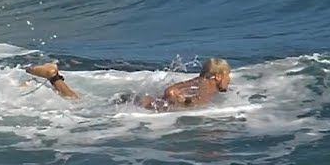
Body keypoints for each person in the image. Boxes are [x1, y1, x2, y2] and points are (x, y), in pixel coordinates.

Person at [23, 57, 232, 112]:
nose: (229, 80)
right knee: (80, 106)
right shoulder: (206, 84)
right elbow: (171, 90)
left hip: (140, 102)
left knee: (85, 104)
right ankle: (53, 76)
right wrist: (179, 103)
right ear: (219, 75)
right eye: (228, 75)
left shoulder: (202, 82)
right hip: (142, 104)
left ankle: (50, 78)